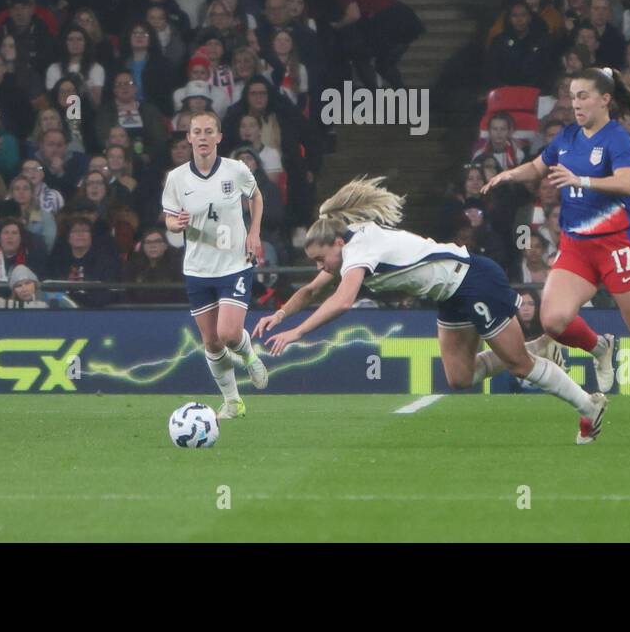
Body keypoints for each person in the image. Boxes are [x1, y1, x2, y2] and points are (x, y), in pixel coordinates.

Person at [257, 176, 607, 442]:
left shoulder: (359, 250)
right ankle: (539, 346)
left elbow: (343, 300)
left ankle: (588, 406)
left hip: (473, 279)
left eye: (321, 259)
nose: (322, 267)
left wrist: (297, 332)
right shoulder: (348, 242)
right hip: (451, 295)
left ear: (337, 243)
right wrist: (281, 314)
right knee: (460, 378)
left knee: (519, 365)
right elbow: (310, 289)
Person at [481, 66, 630, 446]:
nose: (575, 103)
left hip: (617, 246)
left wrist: (580, 180)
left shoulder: (617, 139)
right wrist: (508, 176)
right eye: (571, 95)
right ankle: (600, 346)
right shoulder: (566, 137)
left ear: (605, 100)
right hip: (577, 247)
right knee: (552, 321)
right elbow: (539, 166)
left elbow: (627, 183)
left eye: (583, 96)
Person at [162, 111, 268, 419]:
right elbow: (169, 219)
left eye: (209, 131)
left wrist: (254, 232)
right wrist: (174, 223)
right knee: (211, 342)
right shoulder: (177, 178)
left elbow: (256, 196)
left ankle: (248, 355)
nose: (203, 137)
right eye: (197, 132)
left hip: (234, 263)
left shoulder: (236, 170)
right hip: (197, 269)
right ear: (189, 137)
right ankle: (233, 401)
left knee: (229, 334)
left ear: (219, 137)